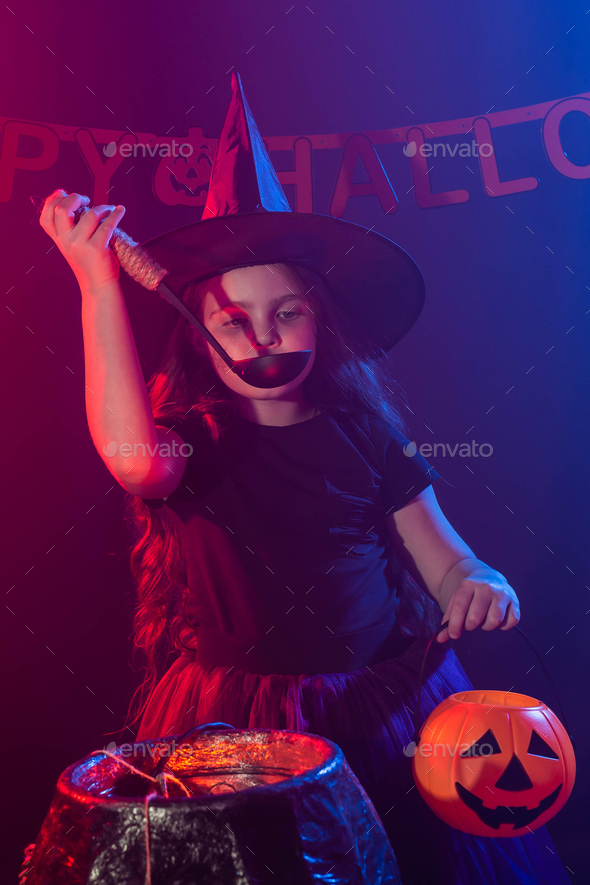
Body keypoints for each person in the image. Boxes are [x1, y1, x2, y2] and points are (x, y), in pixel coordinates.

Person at [39, 73, 571, 885]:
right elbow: (129, 457)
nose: (263, 336)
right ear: (202, 333)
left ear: (321, 319)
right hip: (233, 722)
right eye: (233, 318)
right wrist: (97, 282)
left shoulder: (367, 437)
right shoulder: (190, 444)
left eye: (287, 312)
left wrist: (477, 579)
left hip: (384, 708)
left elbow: (445, 558)